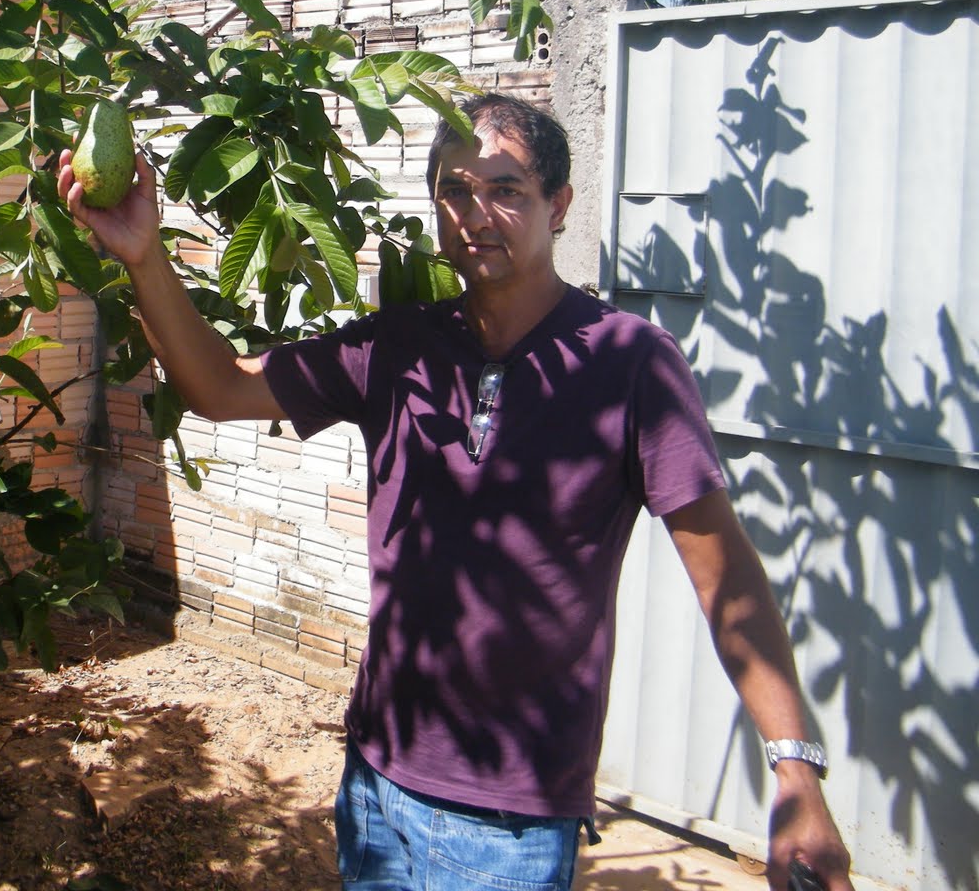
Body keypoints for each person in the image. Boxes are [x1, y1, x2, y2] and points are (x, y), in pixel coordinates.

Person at [57, 92, 853, 891]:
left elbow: (728, 579)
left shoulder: (631, 363)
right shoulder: (398, 347)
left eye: (506, 191)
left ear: (559, 205)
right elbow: (220, 387)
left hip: (511, 817)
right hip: (376, 777)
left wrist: (795, 773)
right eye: (454, 191)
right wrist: (144, 257)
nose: (476, 214)